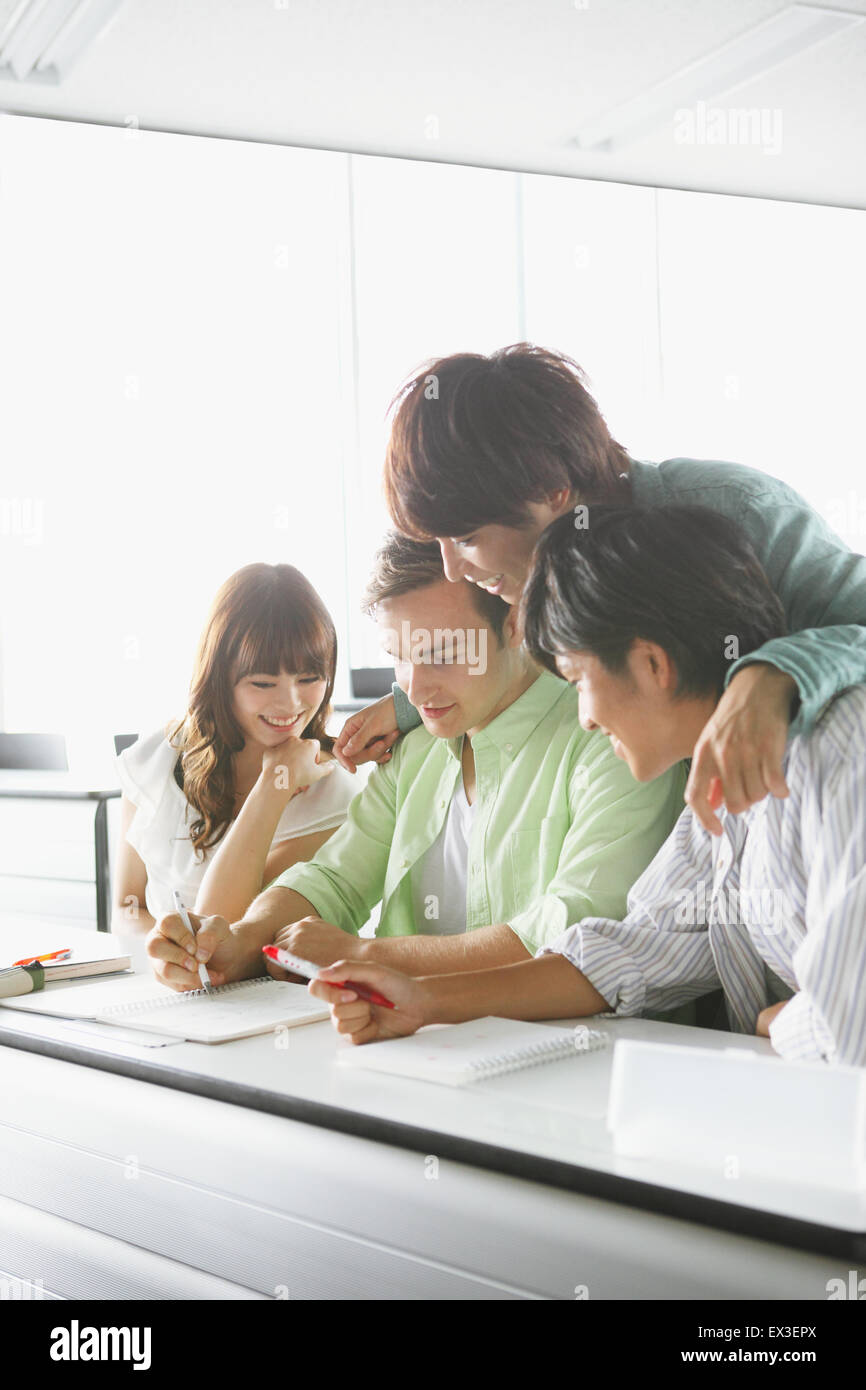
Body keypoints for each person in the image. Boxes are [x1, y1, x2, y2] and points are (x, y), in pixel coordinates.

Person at [311, 505, 866, 1066]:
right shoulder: (719, 790)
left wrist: (782, 1025)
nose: (584, 717)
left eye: (577, 680)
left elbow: (850, 1028)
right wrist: (425, 1002)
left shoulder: (842, 753)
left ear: (652, 663)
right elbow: (631, 950)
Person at [334, 344, 866, 837]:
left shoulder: (741, 514)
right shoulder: (522, 569)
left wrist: (772, 673)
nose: (452, 569)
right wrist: (406, 706)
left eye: (467, 538)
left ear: (551, 492)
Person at [145, 534, 685, 987]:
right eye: (398, 657)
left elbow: (576, 929)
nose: (414, 687)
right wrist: (239, 939)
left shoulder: (608, 736)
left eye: (442, 655)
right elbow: (334, 880)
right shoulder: (418, 743)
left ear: (516, 622)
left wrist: (367, 956)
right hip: (405, 1048)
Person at [113, 563, 355, 938]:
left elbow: (220, 926)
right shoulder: (157, 759)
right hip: (159, 987)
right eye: (262, 682)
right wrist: (164, 954)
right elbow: (127, 910)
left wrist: (274, 787)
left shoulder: (334, 791)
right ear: (219, 677)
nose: (290, 704)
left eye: (310, 679)